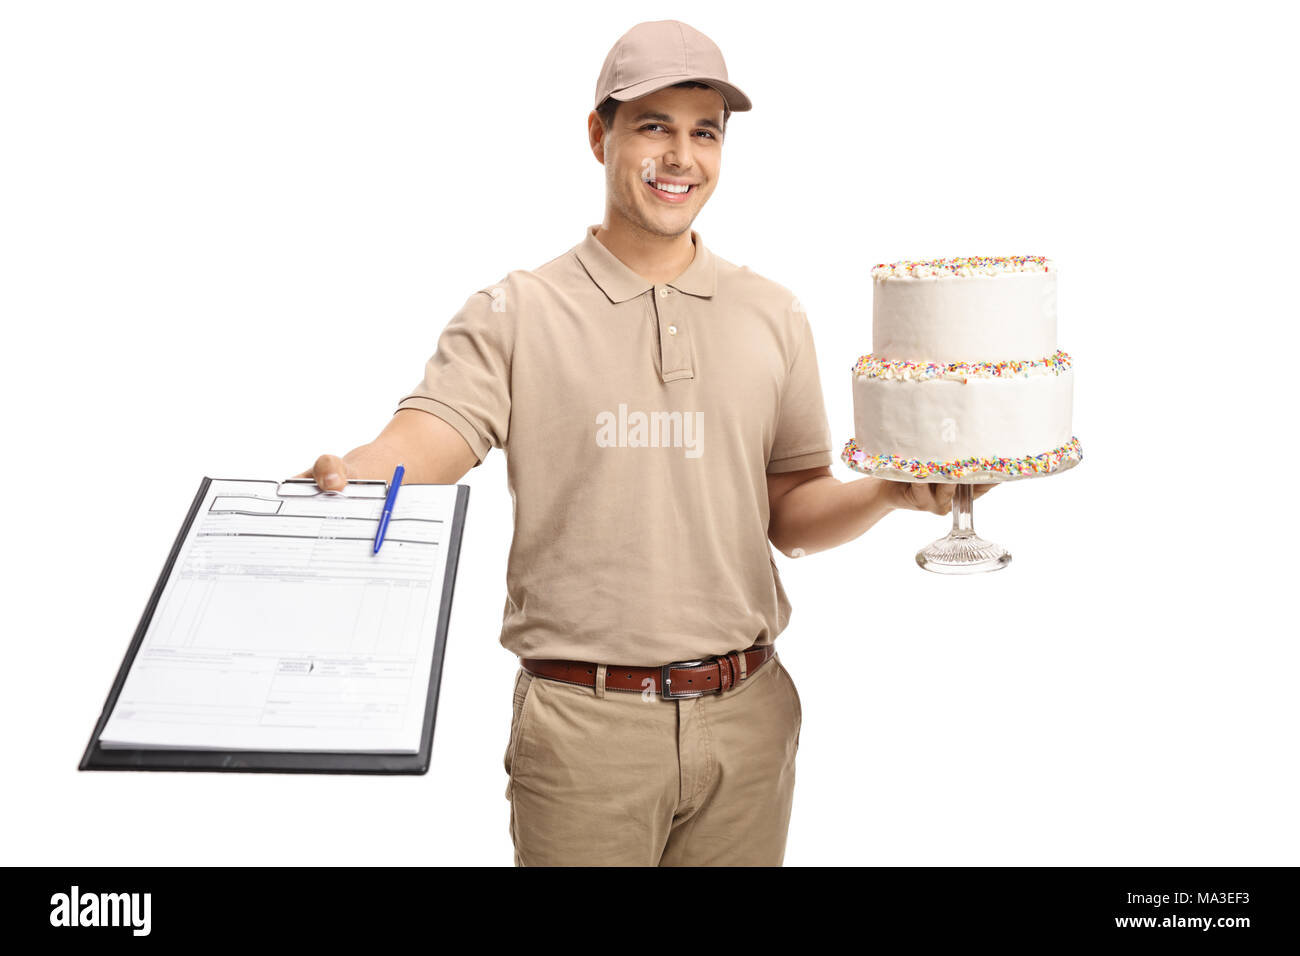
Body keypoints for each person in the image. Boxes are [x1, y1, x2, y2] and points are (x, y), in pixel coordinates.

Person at [295, 20, 993, 866]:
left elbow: (792, 513)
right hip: (585, 734)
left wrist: (886, 491)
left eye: (706, 132)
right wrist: (357, 475)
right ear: (600, 135)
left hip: (750, 719)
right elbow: (428, 438)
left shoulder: (774, 312)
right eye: (654, 125)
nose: (682, 157)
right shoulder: (515, 311)